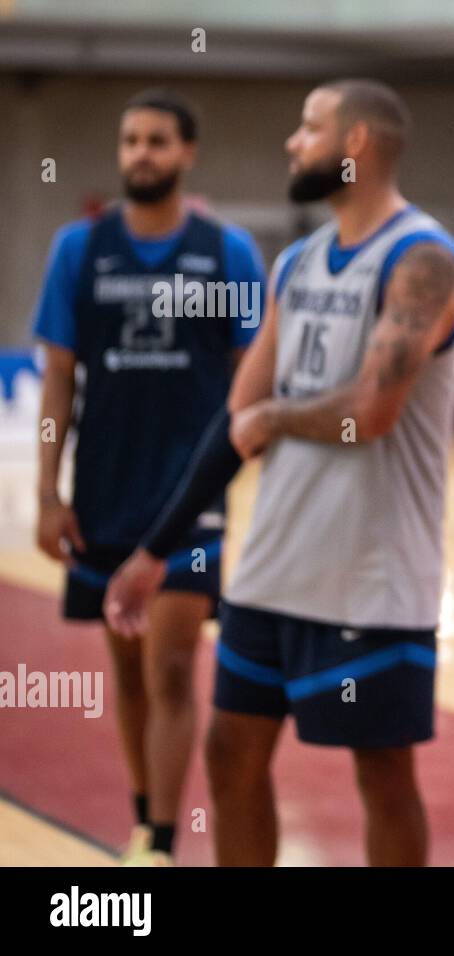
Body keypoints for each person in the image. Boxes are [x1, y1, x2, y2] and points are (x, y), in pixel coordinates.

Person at [104, 78, 454, 867]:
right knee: (229, 755)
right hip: (270, 571)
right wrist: (153, 550)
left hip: (370, 577)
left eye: (309, 128)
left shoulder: (424, 259)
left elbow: (371, 408)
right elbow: (236, 420)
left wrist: (272, 419)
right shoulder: (299, 260)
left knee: (383, 774)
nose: (292, 143)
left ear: (356, 145)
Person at [31, 88, 265, 866]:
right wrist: (45, 492)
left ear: (186, 152)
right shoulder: (80, 250)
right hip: (103, 489)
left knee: (169, 662)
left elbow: (253, 380)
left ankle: (161, 843)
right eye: (131, 140)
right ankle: (144, 819)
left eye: (157, 141)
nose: (141, 154)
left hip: (190, 496)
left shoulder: (226, 252)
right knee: (127, 669)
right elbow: (58, 379)